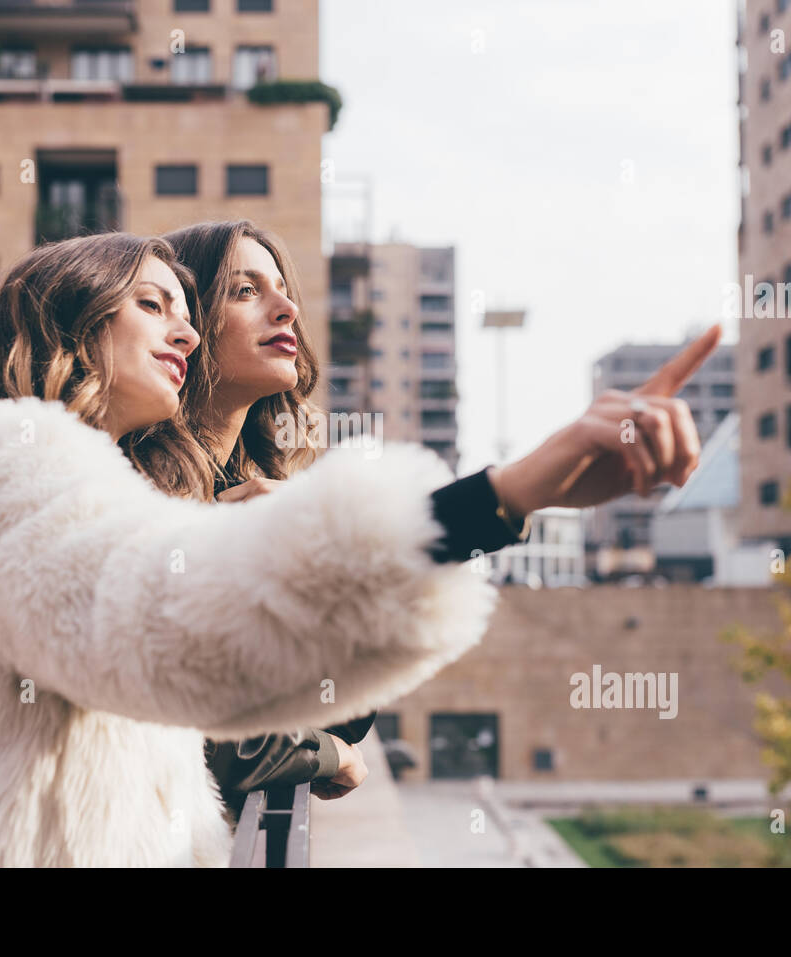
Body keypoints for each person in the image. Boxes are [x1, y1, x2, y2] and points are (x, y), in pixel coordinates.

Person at [0, 229, 716, 867]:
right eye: (153, 303)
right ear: (72, 322)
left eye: (188, 308)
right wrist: (512, 491)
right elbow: (193, 647)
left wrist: (526, 499)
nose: (188, 331)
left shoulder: (30, 474)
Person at [149, 220, 721, 817]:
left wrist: (524, 493)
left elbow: (341, 708)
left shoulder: (253, 493)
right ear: (186, 327)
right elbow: (192, 740)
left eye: (282, 287)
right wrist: (326, 757)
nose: (286, 307)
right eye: (246, 290)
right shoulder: (147, 496)